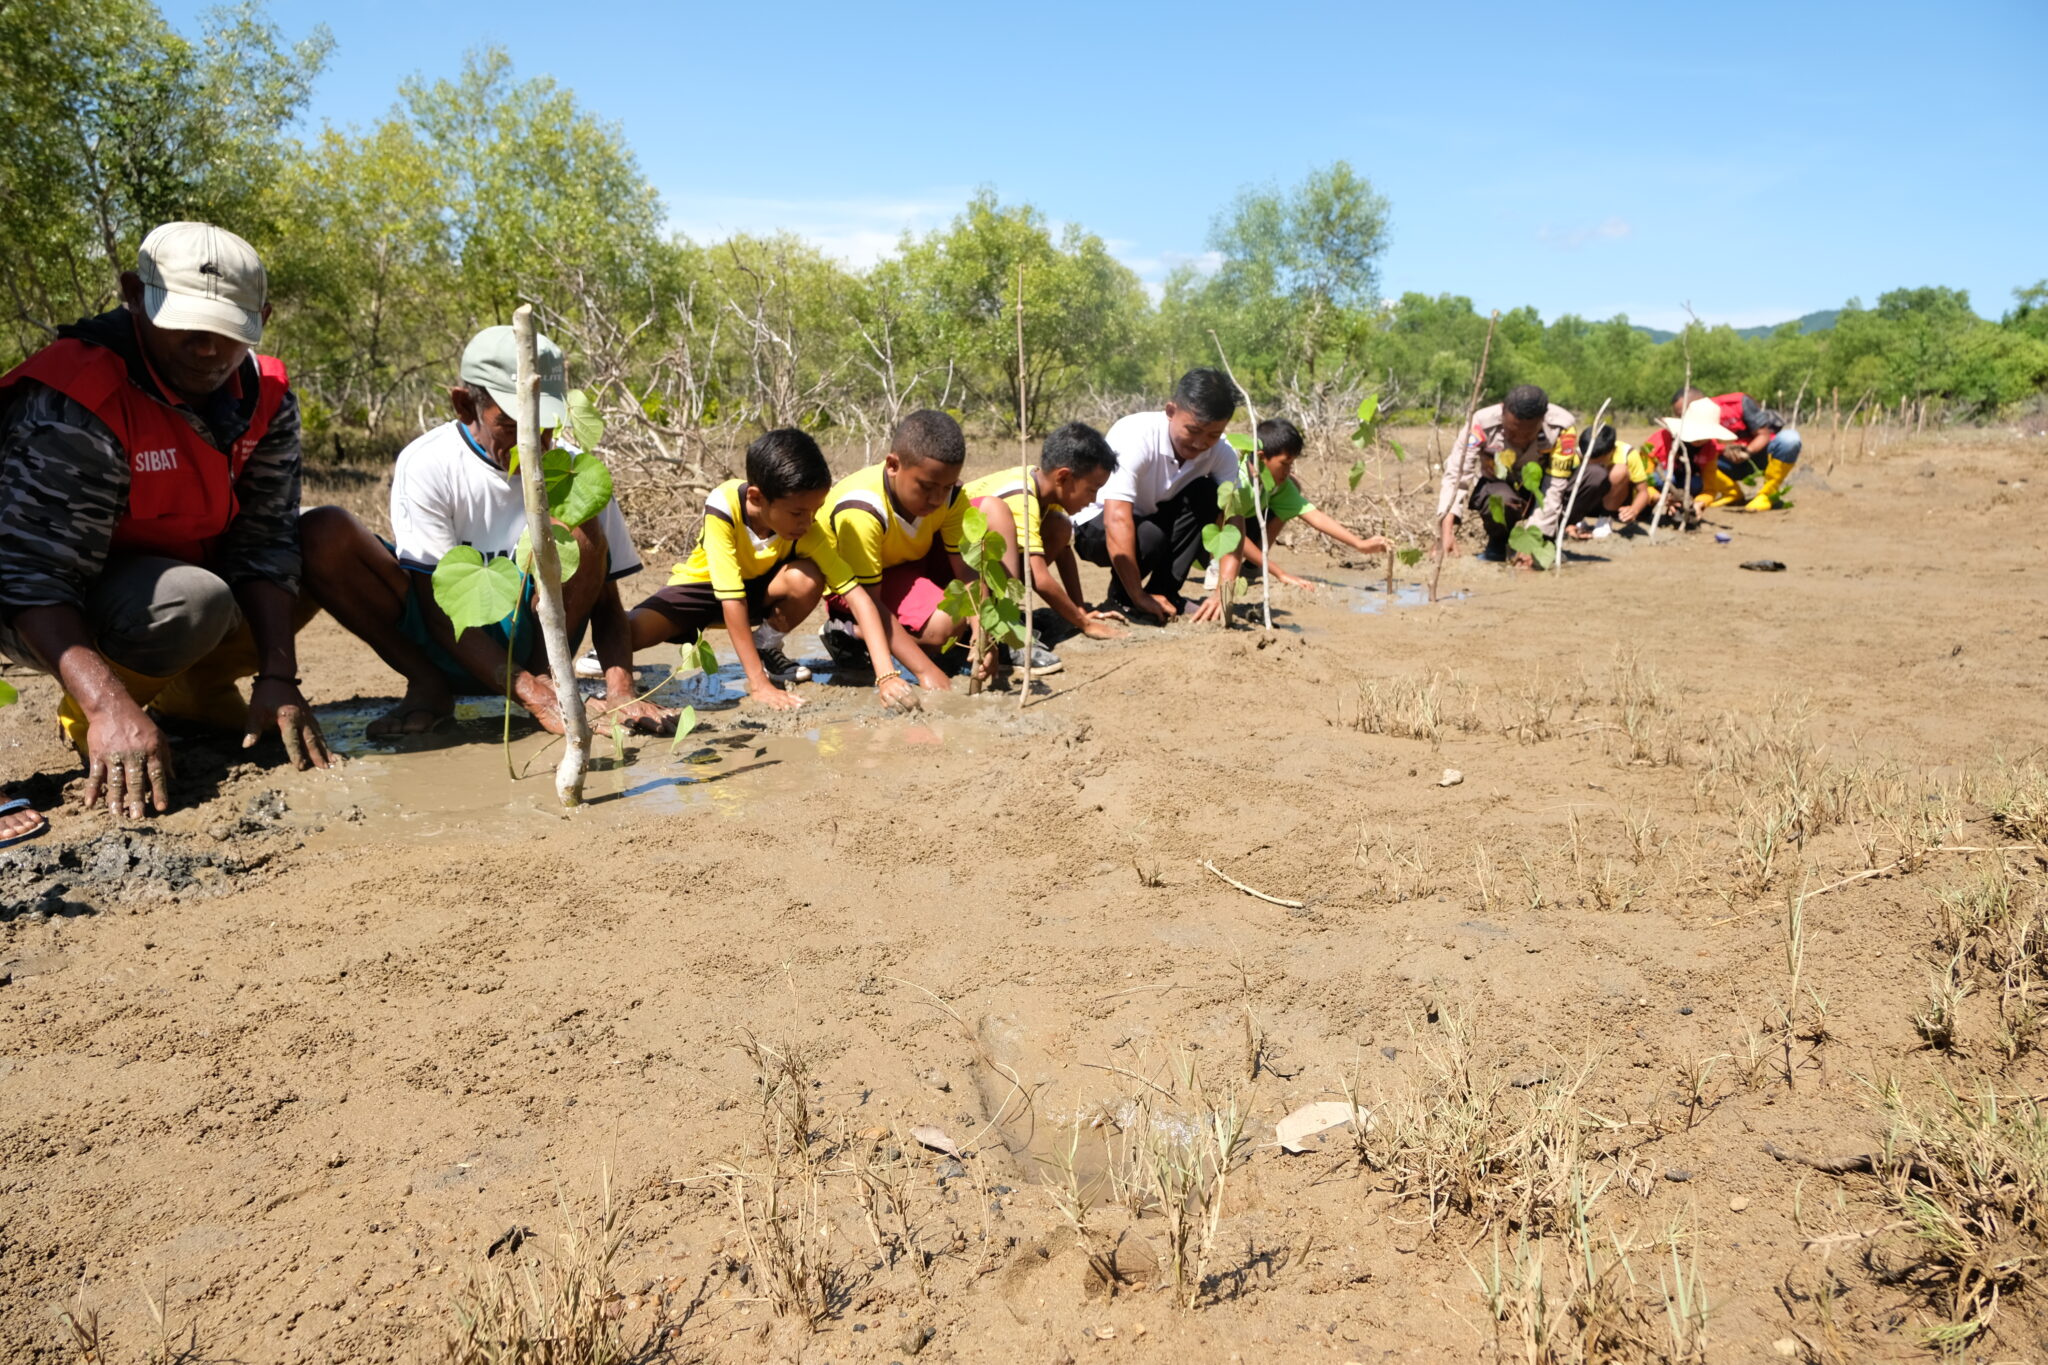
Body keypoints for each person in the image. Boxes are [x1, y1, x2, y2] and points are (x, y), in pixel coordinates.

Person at [0, 221, 331, 833]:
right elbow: (28, 574)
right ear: (134, 295)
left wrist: (279, 675)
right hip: (46, 602)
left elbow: (266, 541)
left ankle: (197, 693)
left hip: (164, 572)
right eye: (187, 327)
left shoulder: (265, 396)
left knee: (320, 545)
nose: (208, 350)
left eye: (229, 331)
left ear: (262, 317)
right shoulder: (77, 398)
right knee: (191, 600)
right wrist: (107, 705)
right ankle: (92, 713)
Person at [298, 325, 670, 739]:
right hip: (444, 642)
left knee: (582, 527)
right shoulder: (429, 463)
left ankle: (550, 676)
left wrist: (621, 692)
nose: (535, 442)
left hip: (537, 643)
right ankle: (429, 686)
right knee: (322, 532)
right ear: (464, 405)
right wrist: (534, 697)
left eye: (546, 423)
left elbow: (606, 600)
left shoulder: (573, 470)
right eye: (512, 424)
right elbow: (439, 608)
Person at [628, 428, 919, 713]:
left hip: (757, 594)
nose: (808, 522)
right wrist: (759, 685)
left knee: (806, 576)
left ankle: (765, 647)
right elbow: (731, 600)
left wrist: (887, 676)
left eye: (815, 510)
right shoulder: (725, 505)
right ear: (756, 498)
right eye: (797, 513)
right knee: (630, 634)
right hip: (699, 591)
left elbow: (857, 597)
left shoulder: (807, 528)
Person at [815, 409, 977, 690]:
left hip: (907, 565)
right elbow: (869, 602)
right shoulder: (861, 511)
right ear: (893, 465)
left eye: (946, 487)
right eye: (926, 487)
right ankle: (849, 632)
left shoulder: (949, 497)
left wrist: (982, 630)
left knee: (990, 519)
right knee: (944, 624)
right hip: (857, 591)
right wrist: (925, 671)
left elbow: (967, 571)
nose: (937, 499)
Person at [1071, 367, 1245, 623]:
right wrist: (1137, 595)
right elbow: (1116, 518)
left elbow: (1234, 522)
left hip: (1151, 518)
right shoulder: (1135, 434)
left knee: (1208, 494)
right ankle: (1124, 599)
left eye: (1213, 435)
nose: (1200, 444)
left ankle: (1164, 592)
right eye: (1193, 431)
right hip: (1096, 526)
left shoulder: (1222, 451)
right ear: (1171, 411)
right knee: (1149, 536)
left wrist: (1223, 594)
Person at [962, 421, 1129, 667]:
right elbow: (1038, 577)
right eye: (1092, 490)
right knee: (1032, 549)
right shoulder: (1020, 497)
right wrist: (1086, 625)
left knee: (1060, 526)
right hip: (955, 575)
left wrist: (1080, 609)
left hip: (979, 572)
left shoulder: (1043, 484)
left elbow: (1063, 551)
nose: (1093, 499)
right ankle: (1004, 631)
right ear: (1064, 476)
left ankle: (1004, 614)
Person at [1435, 384, 1603, 566]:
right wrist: (1446, 530)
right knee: (1499, 498)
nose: (1519, 440)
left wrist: (1533, 540)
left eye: (1528, 435)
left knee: (1594, 476)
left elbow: (1555, 486)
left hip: (1542, 491)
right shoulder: (1481, 422)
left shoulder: (1562, 426)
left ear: (1542, 420)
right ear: (1502, 413)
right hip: (1502, 488)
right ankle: (1499, 541)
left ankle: (1547, 539)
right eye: (1512, 433)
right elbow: (1457, 475)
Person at [1232, 417, 1392, 587]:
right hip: (1219, 535)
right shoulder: (1239, 482)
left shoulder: (1279, 485)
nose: (1288, 471)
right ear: (1261, 458)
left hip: (1243, 527)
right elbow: (1234, 534)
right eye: (1284, 463)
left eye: (1291, 464)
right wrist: (1279, 573)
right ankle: (1231, 565)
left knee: (1293, 486)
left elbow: (1314, 516)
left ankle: (1252, 567)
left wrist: (1360, 544)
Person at [1666, 386, 1799, 510]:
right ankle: (1731, 493)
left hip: (1758, 457)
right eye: (1679, 416)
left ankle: (1767, 494)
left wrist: (1747, 451)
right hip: (1724, 465)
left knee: (1790, 440)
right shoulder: (1687, 429)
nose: (1682, 418)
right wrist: (1722, 449)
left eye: (1683, 413)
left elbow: (1763, 435)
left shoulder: (1738, 403)